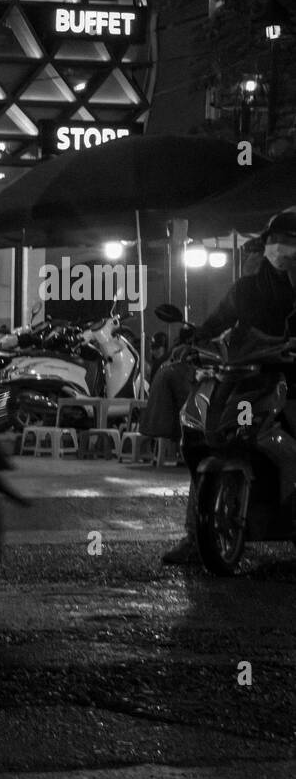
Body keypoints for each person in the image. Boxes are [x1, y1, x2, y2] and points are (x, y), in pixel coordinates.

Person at [156, 207, 296, 564]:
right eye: (277, 241)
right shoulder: (248, 287)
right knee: (209, 438)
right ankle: (195, 535)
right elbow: (220, 319)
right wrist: (192, 340)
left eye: (291, 241)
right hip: (246, 375)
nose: (282, 248)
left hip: (288, 378)